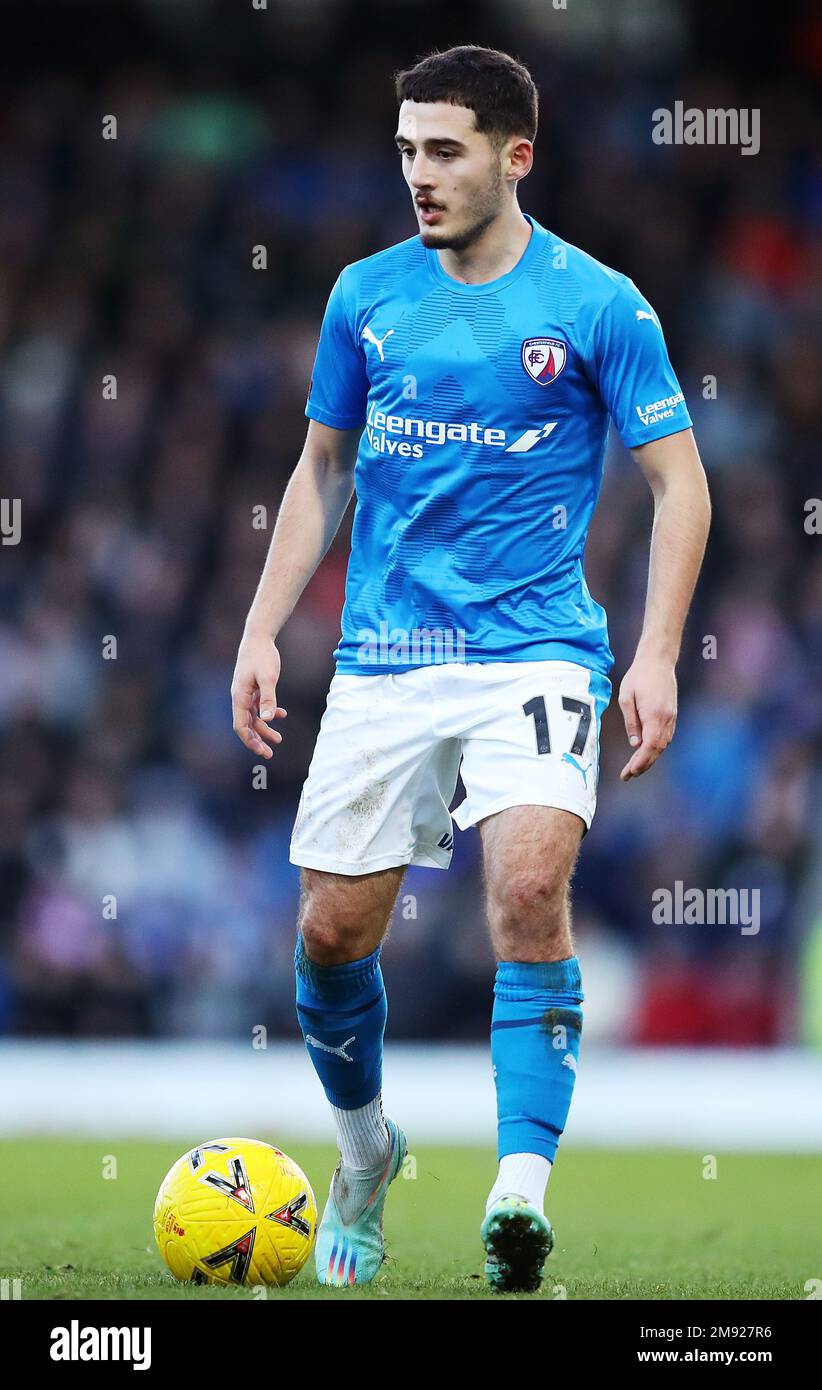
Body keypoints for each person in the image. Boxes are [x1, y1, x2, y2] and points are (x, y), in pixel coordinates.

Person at [231, 44, 711, 1292]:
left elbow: (680, 483)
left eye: (443, 150)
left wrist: (655, 651)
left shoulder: (602, 304)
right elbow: (324, 468)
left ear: (515, 155)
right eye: (404, 151)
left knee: (529, 889)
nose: (418, 176)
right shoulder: (363, 296)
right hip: (386, 654)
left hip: (535, 647)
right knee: (334, 936)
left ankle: (517, 1191)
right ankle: (364, 1150)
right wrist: (258, 624)